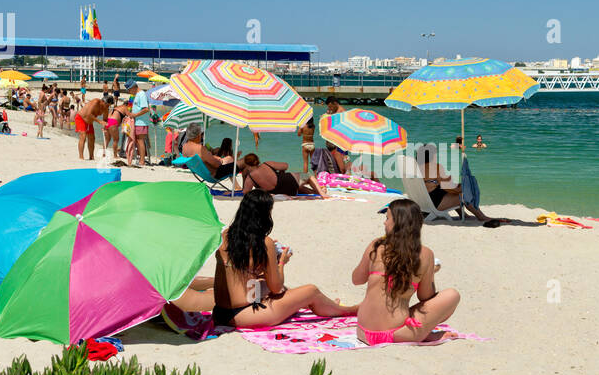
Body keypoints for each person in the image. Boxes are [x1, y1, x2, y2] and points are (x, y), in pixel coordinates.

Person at [172, 189, 356, 328]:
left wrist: (264, 263)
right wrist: (281, 261)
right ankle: (347, 310)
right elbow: (276, 288)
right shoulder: (264, 242)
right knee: (311, 290)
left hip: (220, 313)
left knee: (267, 283)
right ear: (263, 215)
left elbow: (243, 272)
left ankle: (325, 305)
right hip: (244, 315)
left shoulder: (225, 236)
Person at [351, 198, 460, 345]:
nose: (384, 222)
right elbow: (425, 296)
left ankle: (422, 333)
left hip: (363, 332)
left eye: (387, 218)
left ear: (397, 223)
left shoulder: (376, 245)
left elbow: (356, 279)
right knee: (452, 295)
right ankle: (424, 333)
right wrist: (430, 273)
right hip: (394, 334)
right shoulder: (424, 254)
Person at [416, 144, 497, 222]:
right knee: (465, 194)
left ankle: (463, 214)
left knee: (457, 189)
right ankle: (481, 217)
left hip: (424, 204)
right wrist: (463, 189)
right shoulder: (436, 167)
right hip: (434, 204)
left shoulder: (416, 168)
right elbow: (449, 188)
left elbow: (437, 185)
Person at [238, 153, 324, 197]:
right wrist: (280, 172)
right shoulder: (267, 164)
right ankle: (322, 193)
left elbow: (246, 192)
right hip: (288, 182)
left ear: (247, 164)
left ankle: (316, 192)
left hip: (281, 192)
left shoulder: (250, 178)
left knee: (299, 188)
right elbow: (285, 165)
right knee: (308, 175)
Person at [74, 94, 109, 160]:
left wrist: (105, 127)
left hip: (89, 121)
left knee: (92, 138)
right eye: (106, 105)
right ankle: (81, 157)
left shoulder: (106, 108)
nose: (107, 107)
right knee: (83, 136)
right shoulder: (95, 102)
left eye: (109, 106)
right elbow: (88, 114)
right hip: (81, 118)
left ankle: (91, 156)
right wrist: (99, 121)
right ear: (103, 102)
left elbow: (105, 120)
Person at [128, 80, 154, 167]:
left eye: (129, 89)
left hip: (141, 122)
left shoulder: (141, 94)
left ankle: (142, 160)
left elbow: (146, 109)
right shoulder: (137, 95)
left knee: (140, 141)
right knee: (138, 141)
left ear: (133, 87)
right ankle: (141, 159)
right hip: (138, 121)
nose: (129, 92)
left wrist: (135, 114)